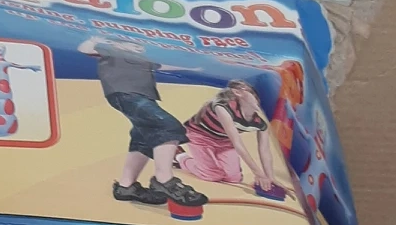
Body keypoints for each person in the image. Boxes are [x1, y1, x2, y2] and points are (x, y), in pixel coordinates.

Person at [79, 37, 208, 207]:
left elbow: (161, 66)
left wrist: (193, 68)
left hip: (143, 97)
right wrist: (94, 39)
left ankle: (126, 187)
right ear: (118, 44)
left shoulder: (142, 60)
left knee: (142, 137)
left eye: (139, 44)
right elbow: (86, 49)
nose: (139, 46)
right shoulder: (113, 53)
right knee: (168, 126)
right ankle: (164, 179)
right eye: (133, 43)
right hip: (126, 94)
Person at [177, 80, 286, 199]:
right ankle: (180, 157)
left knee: (234, 178)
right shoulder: (222, 108)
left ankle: (205, 162)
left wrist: (270, 177)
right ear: (238, 92)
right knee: (211, 175)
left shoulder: (259, 123)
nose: (257, 99)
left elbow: (265, 150)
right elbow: (237, 143)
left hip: (224, 141)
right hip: (201, 137)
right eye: (253, 94)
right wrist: (258, 173)